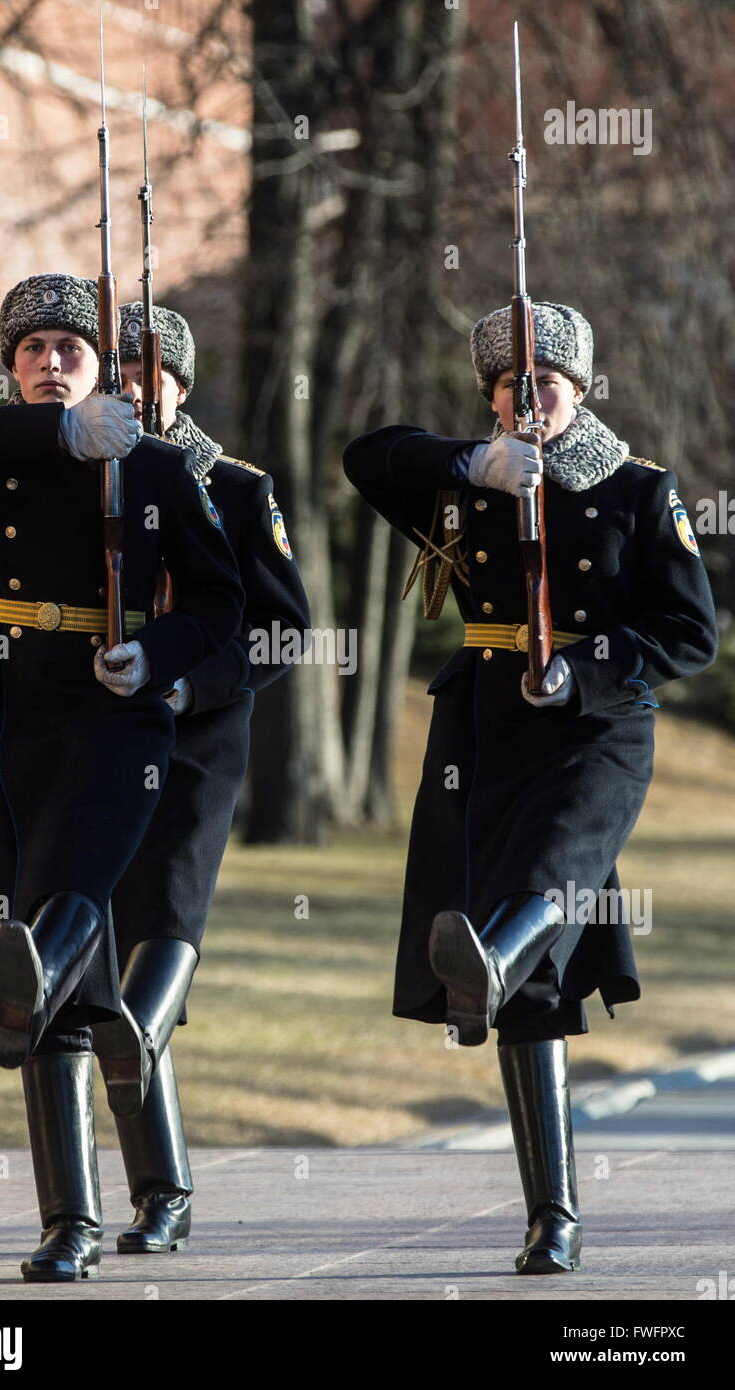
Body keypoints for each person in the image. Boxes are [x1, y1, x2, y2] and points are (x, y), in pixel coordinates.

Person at [343, 301, 717, 1274]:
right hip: (482, 725)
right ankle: (552, 1215)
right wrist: (473, 465)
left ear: (581, 390)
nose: (529, 400)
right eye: (511, 387)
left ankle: (485, 961)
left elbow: (689, 633)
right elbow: (369, 458)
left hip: (595, 731)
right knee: (537, 979)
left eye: (546, 383)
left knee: (548, 881)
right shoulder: (474, 482)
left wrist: (587, 666)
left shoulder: (638, 488)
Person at [0, 272, 244, 1282]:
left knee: (65, 900)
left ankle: (35, 978)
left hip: (111, 701)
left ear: (107, 367)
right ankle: (70, 1223)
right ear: (10, 369)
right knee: (37, 962)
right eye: (34, 350)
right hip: (1, 705)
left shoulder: (160, 470)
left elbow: (221, 605)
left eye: (73, 350)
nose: (53, 363)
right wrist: (59, 434)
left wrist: (158, 656)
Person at [87, 301, 310, 1254]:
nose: (134, 390)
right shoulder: (82, 476)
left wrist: (192, 688)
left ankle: (134, 1054)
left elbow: (280, 626)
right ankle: (163, 1191)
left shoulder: (236, 485)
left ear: (179, 385)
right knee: (116, 933)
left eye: (151, 376)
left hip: (199, 737)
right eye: (120, 375)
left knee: (167, 920)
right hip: (98, 739)